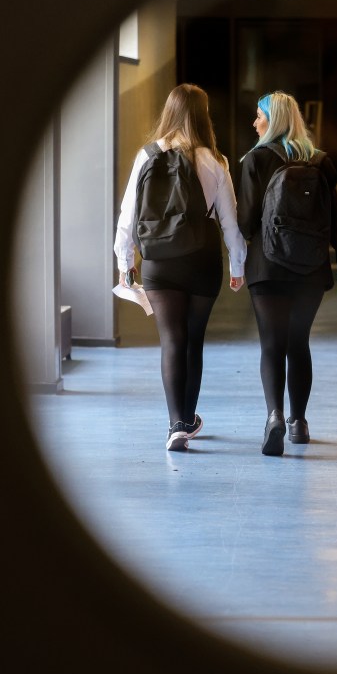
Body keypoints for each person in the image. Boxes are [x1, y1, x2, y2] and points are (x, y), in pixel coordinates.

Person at [114, 83, 247, 452]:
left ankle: (175, 426)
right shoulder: (215, 161)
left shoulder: (147, 155)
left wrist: (125, 263)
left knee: (171, 340)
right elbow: (230, 222)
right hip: (202, 261)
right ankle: (189, 419)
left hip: (158, 261)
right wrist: (238, 265)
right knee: (193, 340)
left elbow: (128, 215)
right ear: (204, 115)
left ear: (169, 112)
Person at [230, 90, 337, 456]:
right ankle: (299, 423)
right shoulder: (321, 162)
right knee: (298, 343)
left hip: (267, 267)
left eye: (259, 116)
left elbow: (245, 222)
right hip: (310, 268)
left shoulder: (255, 160)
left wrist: (238, 260)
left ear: (273, 121)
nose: (254, 122)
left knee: (272, 344)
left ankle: (274, 415)